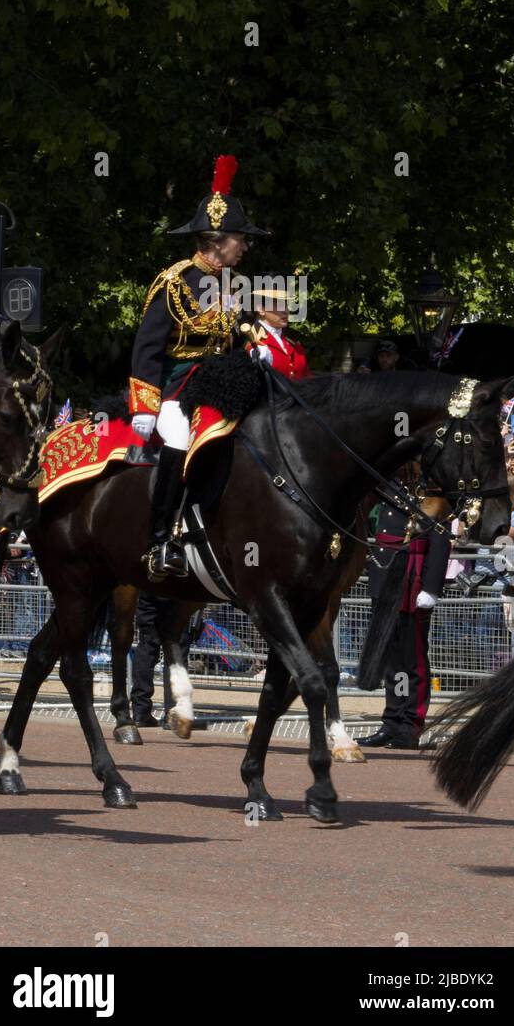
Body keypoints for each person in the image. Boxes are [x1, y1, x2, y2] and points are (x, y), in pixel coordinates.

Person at [129, 155, 270, 578]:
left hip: (220, 381)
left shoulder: (232, 285)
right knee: (175, 437)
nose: (245, 245)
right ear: (217, 239)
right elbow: (147, 347)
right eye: (240, 238)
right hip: (177, 386)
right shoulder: (174, 282)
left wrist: (255, 343)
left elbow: (239, 327)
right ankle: (159, 540)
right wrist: (144, 404)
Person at [357, 471, 451, 750]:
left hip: (414, 580)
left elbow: (440, 541)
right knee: (391, 658)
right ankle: (392, 720)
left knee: (413, 659)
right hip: (386, 576)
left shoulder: (433, 492)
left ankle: (411, 724)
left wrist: (431, 588)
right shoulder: (386, 485)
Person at [130, 596, 203, 728]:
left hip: (148, 590)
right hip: (175, 594)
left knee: (147, 647)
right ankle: (174, 713)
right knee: (176, 650)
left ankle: (140, 711)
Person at [242, 279, 310, 379]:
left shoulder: (293, 343)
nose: (286, 311)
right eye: (279, 305)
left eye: (286, 305)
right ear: (261, 309)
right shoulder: (251, 342)